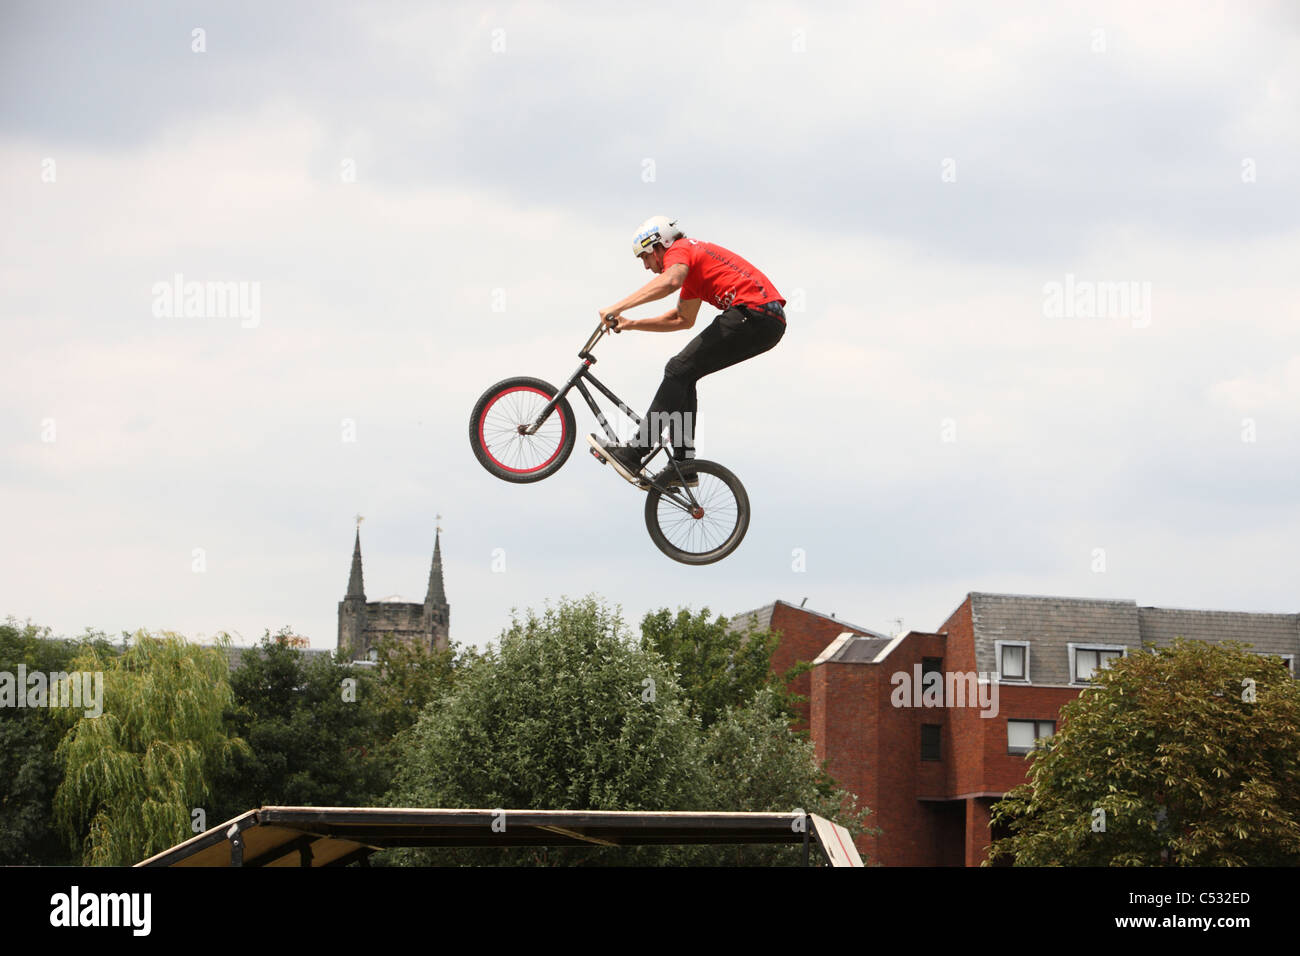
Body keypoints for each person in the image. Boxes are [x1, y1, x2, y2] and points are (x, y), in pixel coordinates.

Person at [588, 216, 786, 488]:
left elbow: (670, 282)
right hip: (764, 321)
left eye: (645, 257)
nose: (646, 266)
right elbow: (682, 319)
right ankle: (683, 465)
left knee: (677, 369)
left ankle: (635, 452)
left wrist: (618, 307)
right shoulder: (691, 270)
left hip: (754, 314)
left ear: (659, 245)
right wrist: (631, 324)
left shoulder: (681, 250)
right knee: (684, 374)